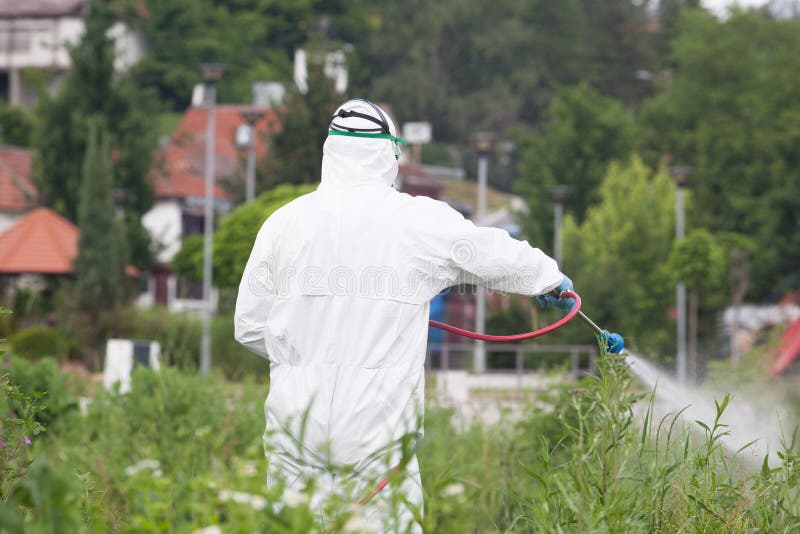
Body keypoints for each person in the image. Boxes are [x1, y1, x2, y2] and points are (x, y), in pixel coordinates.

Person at [234, 98, 574, 531]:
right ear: (387, 155)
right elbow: (490, 253)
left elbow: (248, 325)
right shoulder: (414, 221)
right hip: (374, 439)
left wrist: (305, 348)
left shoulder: (283, 224)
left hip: (295, 433)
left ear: (329, 153)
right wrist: (548, 279)